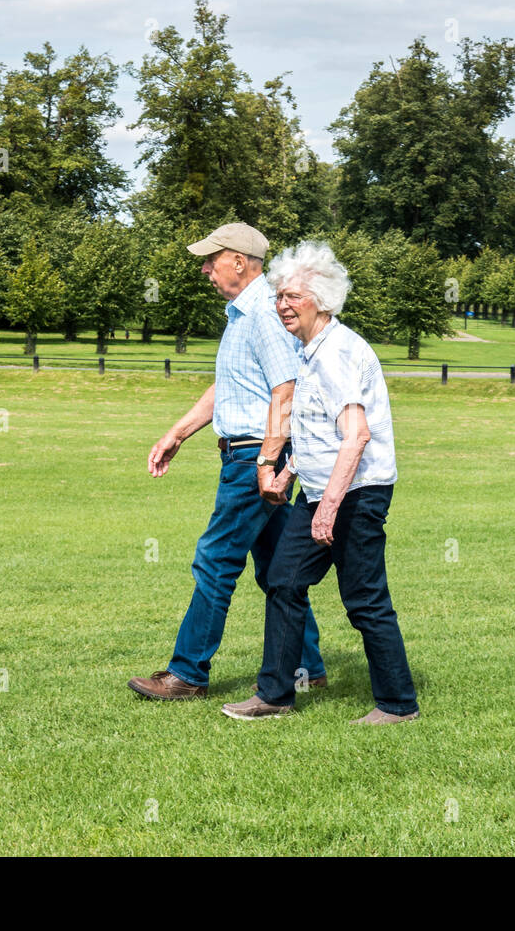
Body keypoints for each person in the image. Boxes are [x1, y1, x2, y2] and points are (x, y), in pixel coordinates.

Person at [221, 241, 419, 725]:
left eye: (292, 297)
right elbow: (316, 436)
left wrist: (328, 508)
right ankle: (275, 695)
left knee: (365, 599)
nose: (281, 305)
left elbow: (355, 437)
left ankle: (398, 704)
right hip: (321, 490)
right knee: (284, 581)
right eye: (278, 296)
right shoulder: (309, 351)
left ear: (322, 300)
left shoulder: (336, 354)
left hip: (356, 493)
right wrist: (288, 474)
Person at [128, 223, 326, 701]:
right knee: (277, 568)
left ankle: (187, 674)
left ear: (239, 260)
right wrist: (179, 432)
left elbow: (286, 390)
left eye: (210, 258)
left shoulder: (262, 312)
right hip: (253, 453)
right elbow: (232, 387)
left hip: (255, 457)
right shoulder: (242, 314)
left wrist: (266, 460)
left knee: (215, 560)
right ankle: (308, 666)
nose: (204, 268)